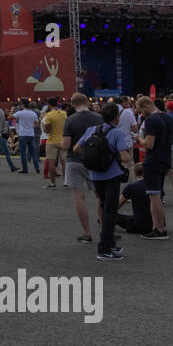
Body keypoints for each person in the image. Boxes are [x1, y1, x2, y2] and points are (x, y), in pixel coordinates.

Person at [80, 101, 133, 261]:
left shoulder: (91, 130)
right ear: (116, 117)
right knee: (110, 212)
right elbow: (124, 156)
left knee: (104, 208)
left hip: (95, 175)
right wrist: (128, 160)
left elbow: (76, 148)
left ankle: (109, 243)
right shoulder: (117, 133)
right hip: (111, 175)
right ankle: (104, 248)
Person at [62, 93, 103, 242]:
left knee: (79, 197)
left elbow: (66, 145)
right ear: (87, 102)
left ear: (73, 105)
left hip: (75, 161)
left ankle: (87, 233)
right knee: (99, 195)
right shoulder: (99, 118)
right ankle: (104, 229)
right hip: (96, 160)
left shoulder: (70, 120)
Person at [135, 95, 173, 238]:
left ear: (145, 107)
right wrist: (165, 140)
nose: (141, 114)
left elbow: (149, 144)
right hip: (165, 159)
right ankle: (156, 226)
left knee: (154, 195)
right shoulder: (169, 118)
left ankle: (160, 229)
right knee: (156, 193)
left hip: (153, 160)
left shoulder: (151, 120)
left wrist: (139, 139)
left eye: (140, 111)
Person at [41, 97, 68, 189]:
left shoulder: (49, 115)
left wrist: (43, 126)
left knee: (51, 162)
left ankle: (53, 183)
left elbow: (47, 130)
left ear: (49, 104)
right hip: (62, 140)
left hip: (52, 141)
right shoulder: (64, 114)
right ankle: (65, 182)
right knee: (64, 162)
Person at [13, 100, 41, 175]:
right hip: (31, 134)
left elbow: (10, 116)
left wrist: (12, 110)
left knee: (23, 153)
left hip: (22, 134)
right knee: (33, 152)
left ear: (22, 105)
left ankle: (25, 168)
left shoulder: (20, 113)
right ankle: (37, 168)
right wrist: (30, 125)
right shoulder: (33, 113)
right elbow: (37, 125)